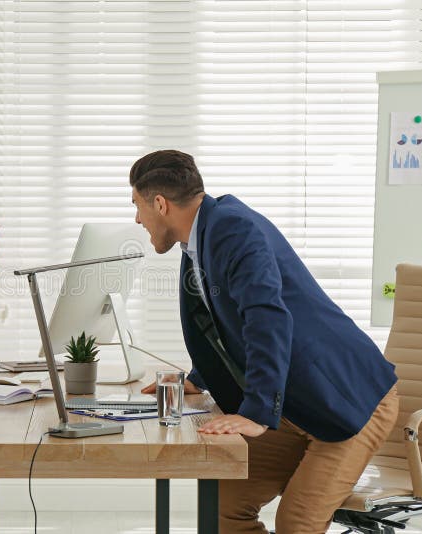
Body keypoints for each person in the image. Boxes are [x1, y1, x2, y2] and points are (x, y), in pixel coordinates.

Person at [131, 150, 398, 533]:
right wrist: (198, 379)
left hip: (348, 400)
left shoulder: (232, 229)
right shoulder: (202, 236)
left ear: (160, 203)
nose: (138, 219)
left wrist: (256, 412)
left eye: (138, 206)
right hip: (296, 403)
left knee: (296, 524)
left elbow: (266, 317)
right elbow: (219, 322)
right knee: (223, 504)